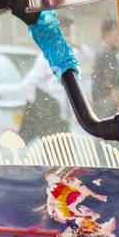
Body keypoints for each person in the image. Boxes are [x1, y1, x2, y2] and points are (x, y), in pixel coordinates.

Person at [18, 16, 74, 144]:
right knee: (56, 157)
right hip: (51, 119)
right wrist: (39, 106)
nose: (67, 39)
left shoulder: (64, 56)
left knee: (64, 158)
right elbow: (27, 84)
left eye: (68, 34)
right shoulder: (46, 57)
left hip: (61, 118)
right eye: (64, 35)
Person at [90, 17, 119, 119]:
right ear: (106, 35)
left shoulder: (103, 53)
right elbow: (114, 89)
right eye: (117, 34)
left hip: (103, 112)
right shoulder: (107, 55)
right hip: (109, 112)